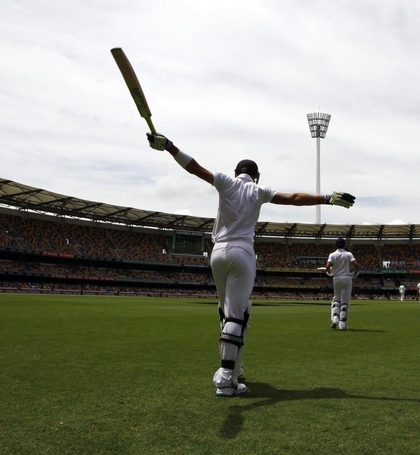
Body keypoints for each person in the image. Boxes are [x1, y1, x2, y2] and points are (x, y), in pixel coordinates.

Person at [146, 132, 354, 397]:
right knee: (237, 315)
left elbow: (194, 167)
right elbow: (293, 198)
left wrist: (169, 146)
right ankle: (225, 379)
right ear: (256, 176)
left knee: (228, 313)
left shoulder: (225, 182)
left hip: (217, 253)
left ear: (236, 173)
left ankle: (236, 368)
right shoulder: (258, 190)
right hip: (242, 253)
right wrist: (326, 198)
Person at [325, 238, 359, 330]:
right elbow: (356, 265)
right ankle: (342, 324)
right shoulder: (348, 254)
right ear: (344, 245)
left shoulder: (332, 254)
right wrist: (355, 272)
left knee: (336, 300)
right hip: (347, 278)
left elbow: (328, 266)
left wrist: (330, 272)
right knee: (345, 302)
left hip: (336, 279)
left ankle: (335, 318)